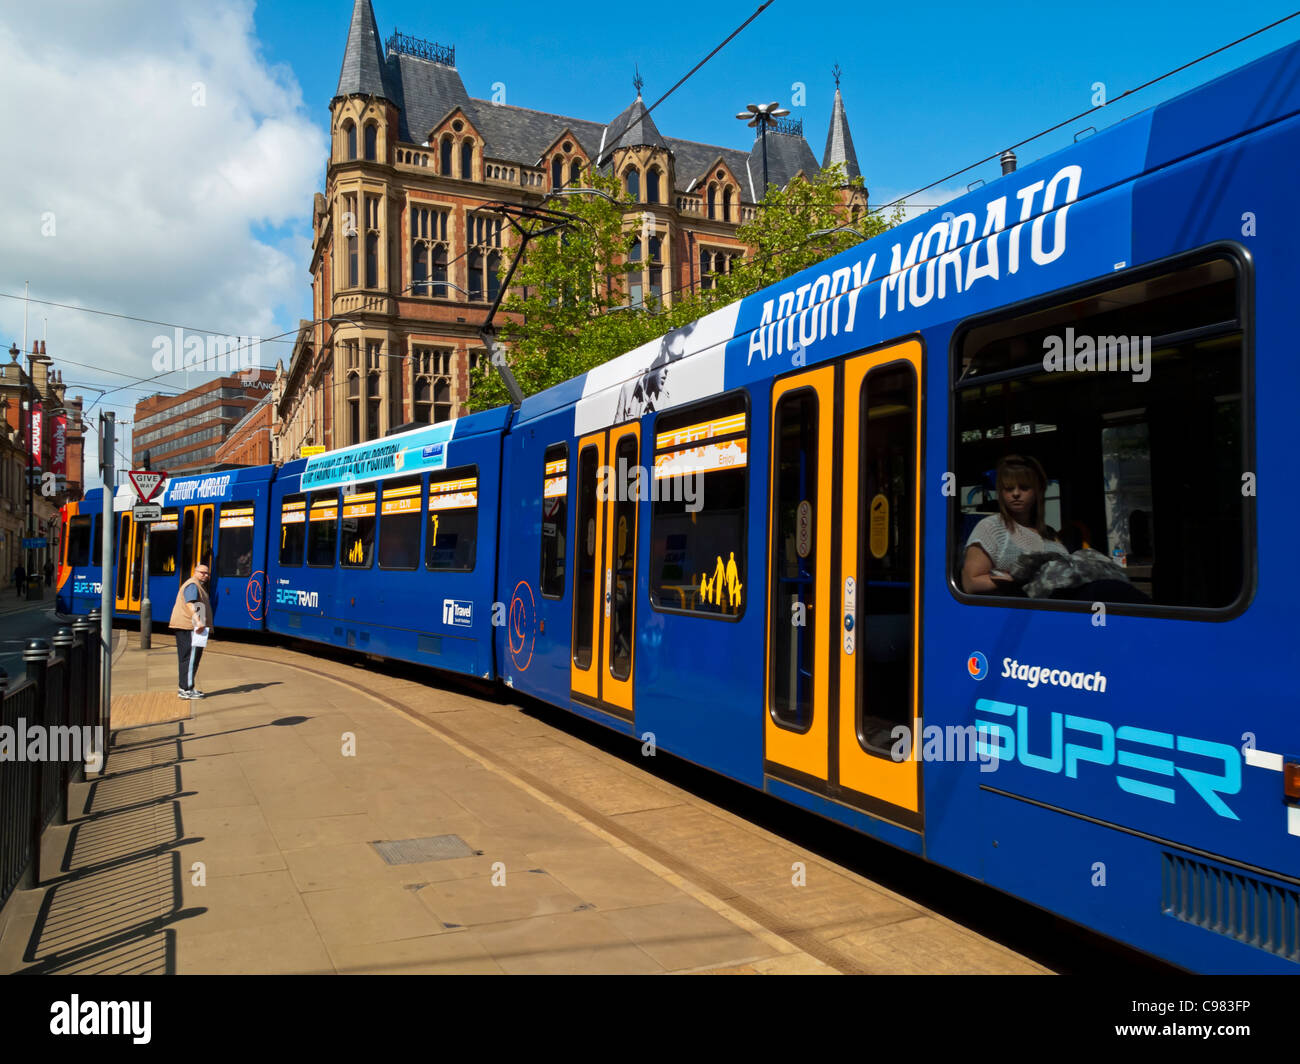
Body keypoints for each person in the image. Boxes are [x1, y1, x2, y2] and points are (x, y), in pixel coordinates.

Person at [961, 455, 1066, 595]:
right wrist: (1018, 580)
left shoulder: (1050, 533)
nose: (1016, 493)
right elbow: (971, 582)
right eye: (1009, 488)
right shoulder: (991, 527)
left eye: (1024, 488)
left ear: (1038, 491)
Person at [170, 564, 212, 699]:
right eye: (202, 572)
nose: (205, 575)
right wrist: (198, 621)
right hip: (190, 626)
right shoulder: (193, 585)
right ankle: (186, 689)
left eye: (207, 573)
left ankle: (187, 687)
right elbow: (190, 603)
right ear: (195, 572)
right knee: (190, 658)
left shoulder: (195, 585)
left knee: (188, 658)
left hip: (189, 626)